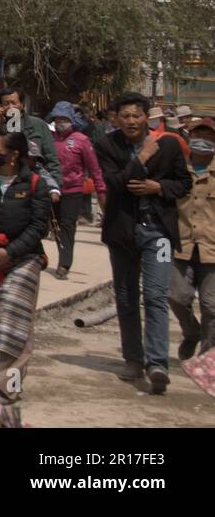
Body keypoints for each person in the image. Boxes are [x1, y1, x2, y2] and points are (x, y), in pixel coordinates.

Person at [95, 91, 191, 394]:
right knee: (125, 297)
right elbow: (115, 183)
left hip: (158, 233)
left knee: (155, 296)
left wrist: (158, 186)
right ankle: (133, 358)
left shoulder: (170, 144)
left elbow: (183, 184)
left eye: (136, 115)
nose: (131, 121)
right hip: (121, 233)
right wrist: (142, 157)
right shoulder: (106, 145)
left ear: (146, 117)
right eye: (125, 116)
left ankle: (157, 362)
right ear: (116, 119)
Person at [0, 131, 53, 402]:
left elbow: (40, 225)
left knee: (15, 318)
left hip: (23, 259)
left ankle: (6, 384)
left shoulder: (36, 183)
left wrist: (10, 252)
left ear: (14, 154)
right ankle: (4, 376)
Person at [44, 101, 106, 279]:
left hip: (74, 190)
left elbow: (94, 168)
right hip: (53, 189)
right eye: (58, 119)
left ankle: (64, 263)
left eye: (65, 118)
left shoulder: (81, 140)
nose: (61, 122)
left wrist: (100, 190)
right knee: (55, 225)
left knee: (68, 225)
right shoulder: (50, 138)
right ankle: (58, 254)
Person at [170, 118, 215, 358]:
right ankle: (191, 333)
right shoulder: (178, 170)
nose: (203, 142)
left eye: (209, 138)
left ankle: (207, 360)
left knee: (211, 307)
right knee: (176, 297)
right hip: (180, 246)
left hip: (212, 249)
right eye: (199, 136)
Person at [0, 88, 63, 197]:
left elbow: (52, 158)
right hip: (4, 184)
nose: (11, 107)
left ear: (22, 104)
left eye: (14, 103)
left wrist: (54, 186)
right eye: (6, 104)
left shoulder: (38, 125)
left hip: (34, 184)